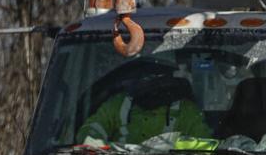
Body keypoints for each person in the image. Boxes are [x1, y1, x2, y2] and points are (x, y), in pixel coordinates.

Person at [78, 61, 212, 149]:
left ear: (168, 81)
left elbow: (204, 145)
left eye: (156, 78)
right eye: (143, 78)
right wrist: (97, 146)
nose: (149, 85)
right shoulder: (119, 104)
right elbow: (92, 129)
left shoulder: (186, 111)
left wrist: (171, 147)